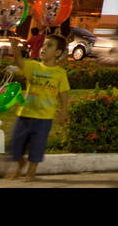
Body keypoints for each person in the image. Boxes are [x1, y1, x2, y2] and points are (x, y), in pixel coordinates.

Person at [6, 32, 70, 181]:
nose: (44, 48)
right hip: (25, 114)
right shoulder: (33, 66)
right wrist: (14, 47)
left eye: (49, 46)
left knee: (37, 145)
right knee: (16, 143)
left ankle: (31, 171)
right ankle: (19, 164)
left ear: (58, 52)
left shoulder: (60, 73)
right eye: (43, 45)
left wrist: (64, 111)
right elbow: (19, 62)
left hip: (44, 117)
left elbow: (64, 93)